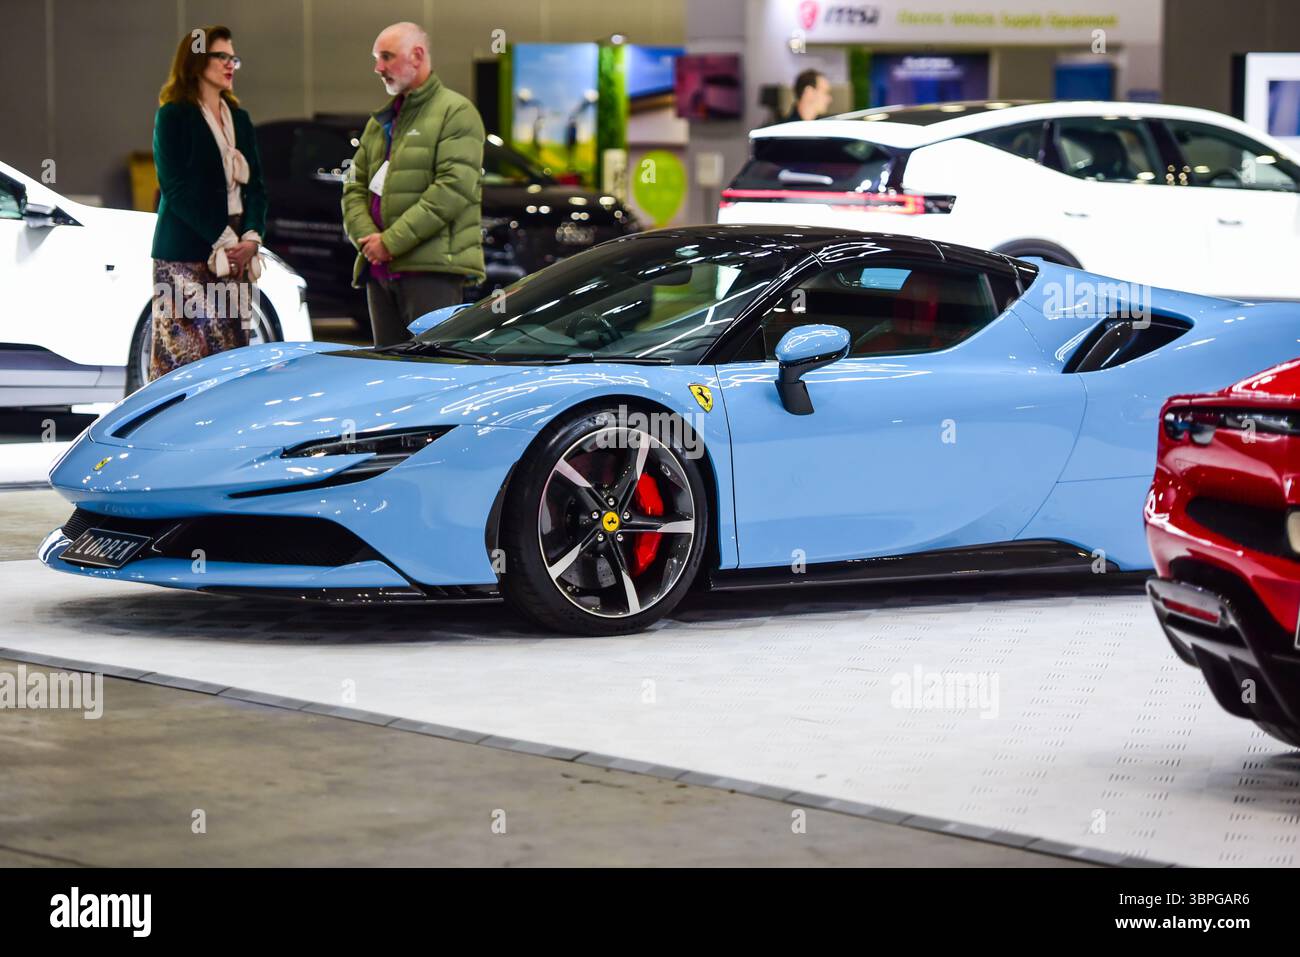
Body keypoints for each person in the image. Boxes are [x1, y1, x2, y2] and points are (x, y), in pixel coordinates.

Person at [343, 21, 486, 347]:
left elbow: (452, 189)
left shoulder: (456, 113)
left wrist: (389, 243)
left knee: (432, 373)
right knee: (390, 374)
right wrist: (368, 240)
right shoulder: (380, 122)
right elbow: (353, 185)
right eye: (376, 58)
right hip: (379, 272)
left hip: (430, 272)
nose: (378, 68)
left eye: (387, 57)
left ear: (417, 56)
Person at [150, 25, 266, 382]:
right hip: (184, 252)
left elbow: (258, 187)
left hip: (236, 253)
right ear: (197, 60)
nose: (231, 64)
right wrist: (222, 238)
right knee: (182, 356)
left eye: (234, 58)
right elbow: (175, 188)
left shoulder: (240, 120)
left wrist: (251, 238)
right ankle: (169, 434)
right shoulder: (174, 116)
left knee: (231, 353)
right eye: (222, 57)